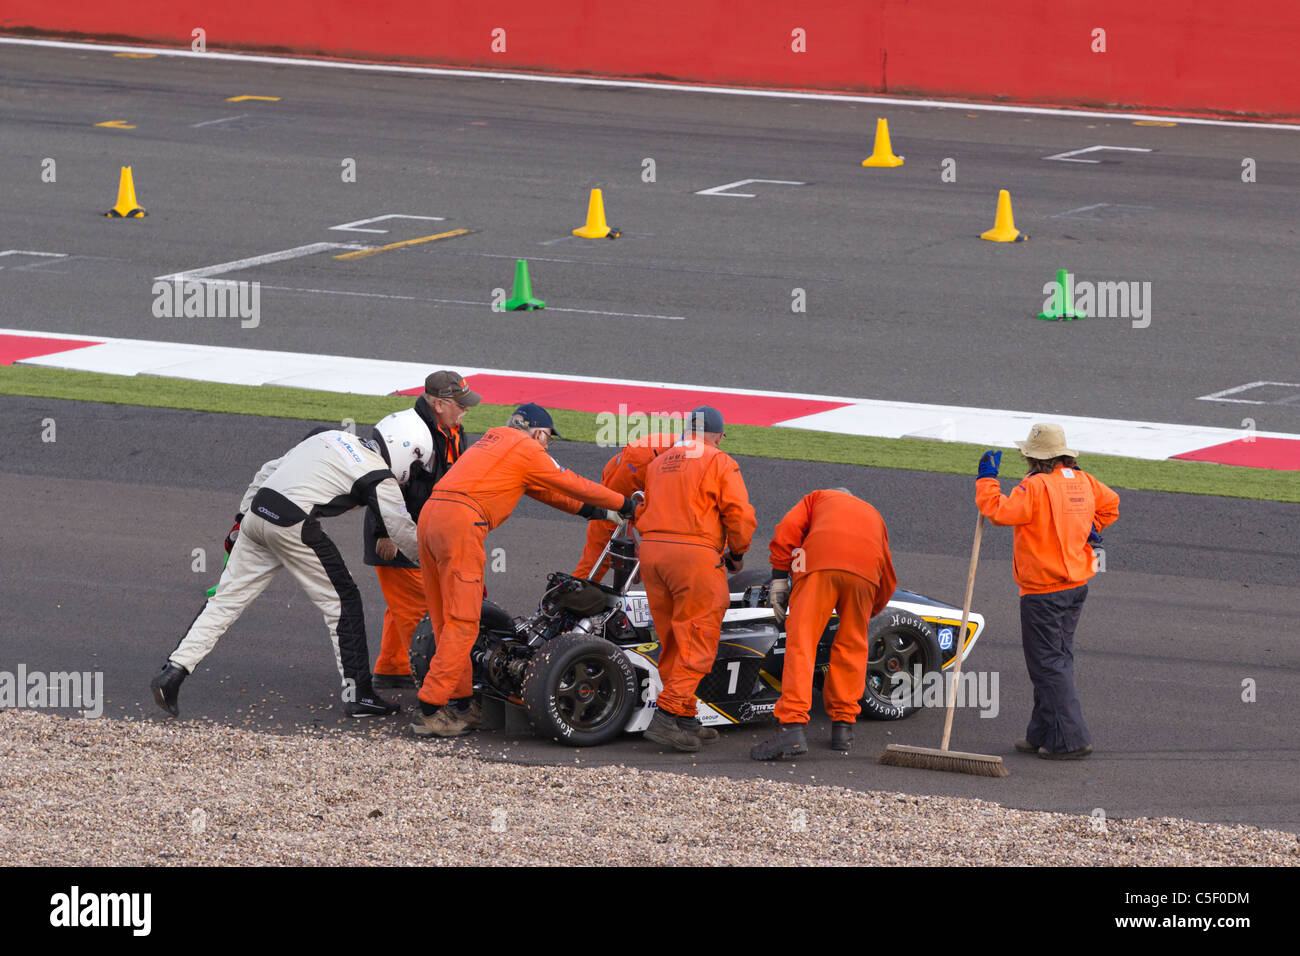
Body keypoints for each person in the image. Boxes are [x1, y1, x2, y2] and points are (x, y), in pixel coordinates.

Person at [150, 413, 432, 719]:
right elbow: (403, 532)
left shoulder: (326, 435)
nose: (413, 473)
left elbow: (267, 470)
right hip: (292, 523)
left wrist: (241, 520)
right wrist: (436, 564)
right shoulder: (379, 475)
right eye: (416, 465)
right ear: (407, 449)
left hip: (258, 514)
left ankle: (172, 673)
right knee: (343, 601)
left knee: (225, 601)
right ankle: (358, 696)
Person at [410, 403, 634, 738]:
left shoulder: (494, 442)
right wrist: (623, 504)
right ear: (540, 433)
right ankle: (430, 709)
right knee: (463, 623)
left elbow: (546, 492)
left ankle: (459, 704)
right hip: (461, 525)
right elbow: (569, 482)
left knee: (444, 617)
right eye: (548, 440)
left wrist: (596, 513)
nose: (547, 445)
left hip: (431, 517)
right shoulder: (527, 447)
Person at [975, 423, 1120, 759]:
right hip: (1075, 586)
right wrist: (1088, 530)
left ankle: (1070, 739)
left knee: (1047, 664)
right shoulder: (1083, 481)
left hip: (1043, 590)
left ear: (1032, 457)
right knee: (1056, 659)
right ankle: (1043, 732)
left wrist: (986, 481)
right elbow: (1111, 505)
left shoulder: (1036, 486)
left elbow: (999, 512)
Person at [635, 406, 756, 753]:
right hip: (693, 556)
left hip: (654, 554)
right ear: (717, 435)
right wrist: (737, 551)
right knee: (699, 635)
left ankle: (685, 715)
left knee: (673, 637)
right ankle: (668, 714)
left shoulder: (660, 461)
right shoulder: (718, 460)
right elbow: (740, 515)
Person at [751, 488, 897, 760]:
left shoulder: (816, 498)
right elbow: (888, 574)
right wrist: (869, 611)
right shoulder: (873, 514)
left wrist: (780, 576)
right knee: (852, 645)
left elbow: (787, 530)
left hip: (818, 564)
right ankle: (843, 728)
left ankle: (792, 728)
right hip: (865, 574)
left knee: (802, 644)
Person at [364, 371, 480, 688]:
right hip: (396, 535)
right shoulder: (407, 433)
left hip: (425, 533)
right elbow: (380, 483)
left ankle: (392, 667)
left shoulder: (453, 430)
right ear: (440, 404)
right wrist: (383, 534)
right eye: (461, 404)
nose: (466, 409)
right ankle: (436, 685)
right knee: (420, 610)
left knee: (402, 605)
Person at [573, 430, 680, 581]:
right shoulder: (640, 460)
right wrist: (632, 553)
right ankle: (571, 598)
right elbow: (615, 514)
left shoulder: (706, 460)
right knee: (603, 552)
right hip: (626, 480)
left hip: (641, 482)